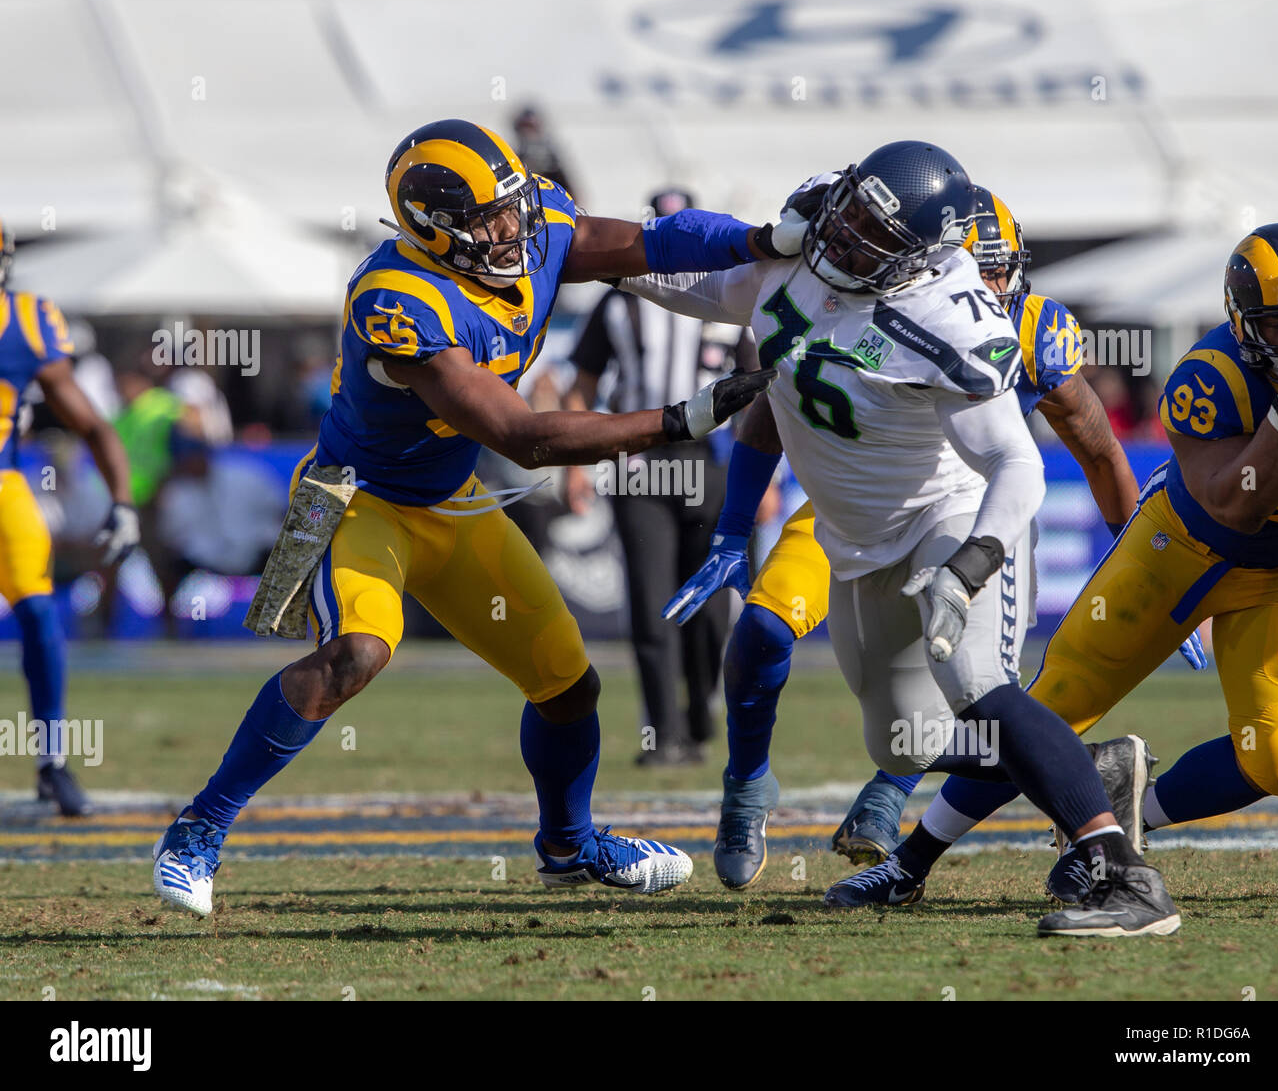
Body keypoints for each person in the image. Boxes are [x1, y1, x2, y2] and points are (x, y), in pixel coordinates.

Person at [151, 118, 791, 916]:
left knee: (567, 686)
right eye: (486, 219)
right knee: (358, 652)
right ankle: (197, 827)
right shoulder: (397, 301)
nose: (509, 229)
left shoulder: (533, 224)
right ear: (430, 231)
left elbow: (651, 243)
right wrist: (680, 421)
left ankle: (568, 847)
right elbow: (524, 437)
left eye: (512, 209)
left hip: (452, 503)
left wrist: (765, 237)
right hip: (364, 501)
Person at [624, 142, 1181, 936]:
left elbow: (1016, 461)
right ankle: (1092, 771)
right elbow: (676, 269)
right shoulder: (803, 245)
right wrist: (568, 249)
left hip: (943, 517)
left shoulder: (948, 315)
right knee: (905, 742)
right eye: (848, 214)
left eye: (873, 235)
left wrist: (971, 561)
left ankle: (1124, 878)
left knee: (977, 679)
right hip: (853, 538)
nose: (845, 238)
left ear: (921, 258)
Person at [868, 223, 1278, 912]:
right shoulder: (1207, 377)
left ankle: (1128, 821)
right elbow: (1233, 505)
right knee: (1056, 703)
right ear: (1245, 322)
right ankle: (909, 862)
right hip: (1180, 549)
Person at [564, 188, 752, 766]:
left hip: (711, 462)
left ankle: (699, 718)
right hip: (640, 461)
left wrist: (761, 476)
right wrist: (575, 465)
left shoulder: (731, 298)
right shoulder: (620, 298)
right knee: (650, 606)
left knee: (709, 607)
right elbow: (585, 384)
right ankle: (662, 734)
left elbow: (759, 395)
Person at [0, 216, 139, 815]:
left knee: (37, 609)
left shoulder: (28, 322)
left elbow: (91, 423)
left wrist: (124, 502)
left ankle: (52, 760)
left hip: (3, 486)